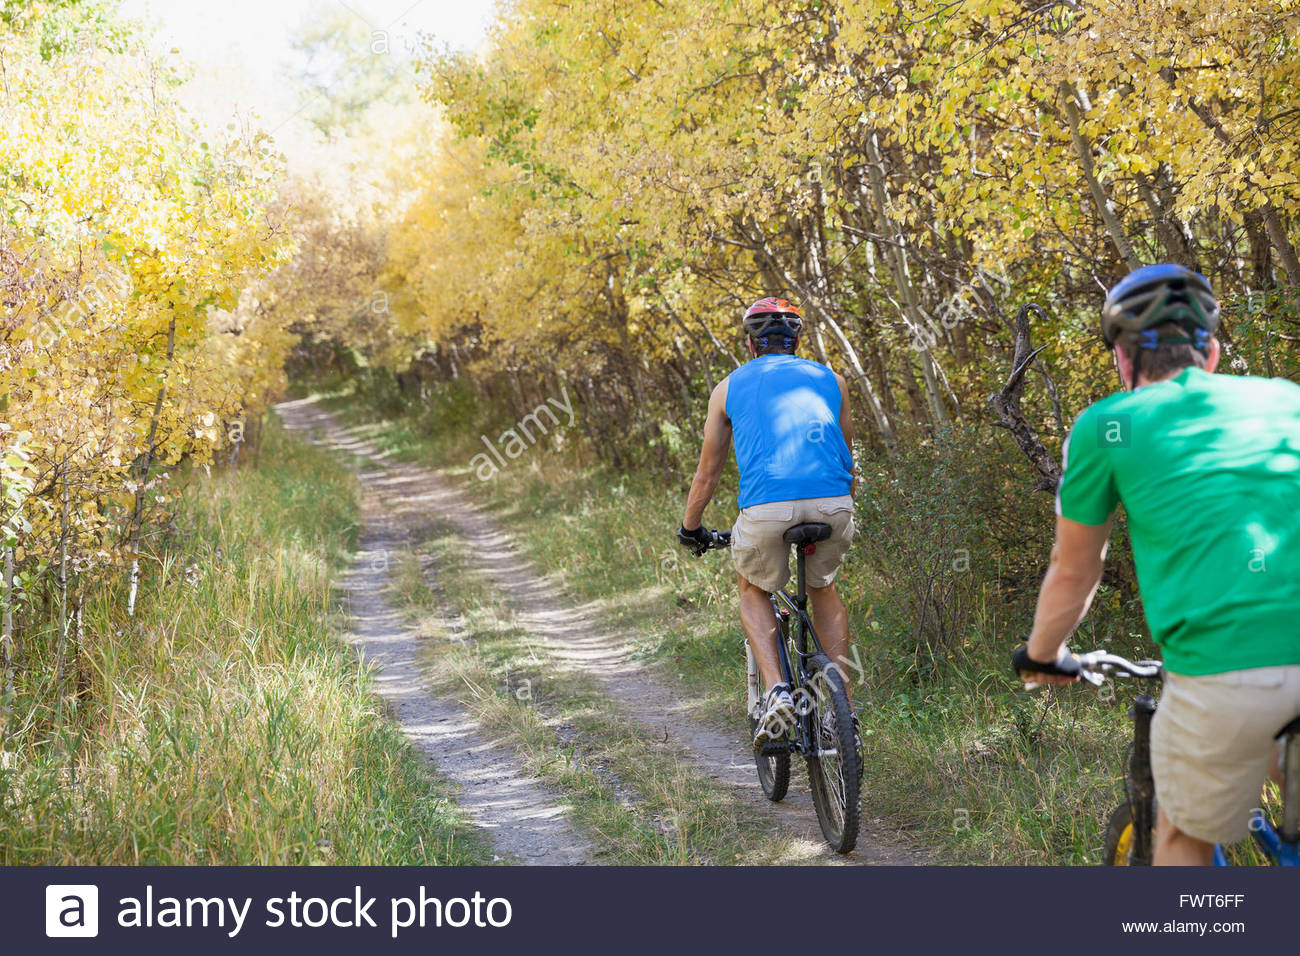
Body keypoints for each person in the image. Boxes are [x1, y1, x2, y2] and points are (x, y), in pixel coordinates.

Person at [1013, 263, 1300, 865]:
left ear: (1124, 361)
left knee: (1180, 835)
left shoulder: (1109, 426)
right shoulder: (1286, 400)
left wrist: (1043, 656)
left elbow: (1074, 570)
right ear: (1213, 350)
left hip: (1223, 672)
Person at [677, 297, 858, 746]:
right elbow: (847, 458)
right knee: (823, 588)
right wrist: (839, 510)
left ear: (750, 342)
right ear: (798, 340)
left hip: (767, 510)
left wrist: (691, 527)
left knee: (752, 588)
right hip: (834, 505)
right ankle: (843, 709)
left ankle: (777, 691)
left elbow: (709, 471)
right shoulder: (832, 380)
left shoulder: (728, 387)